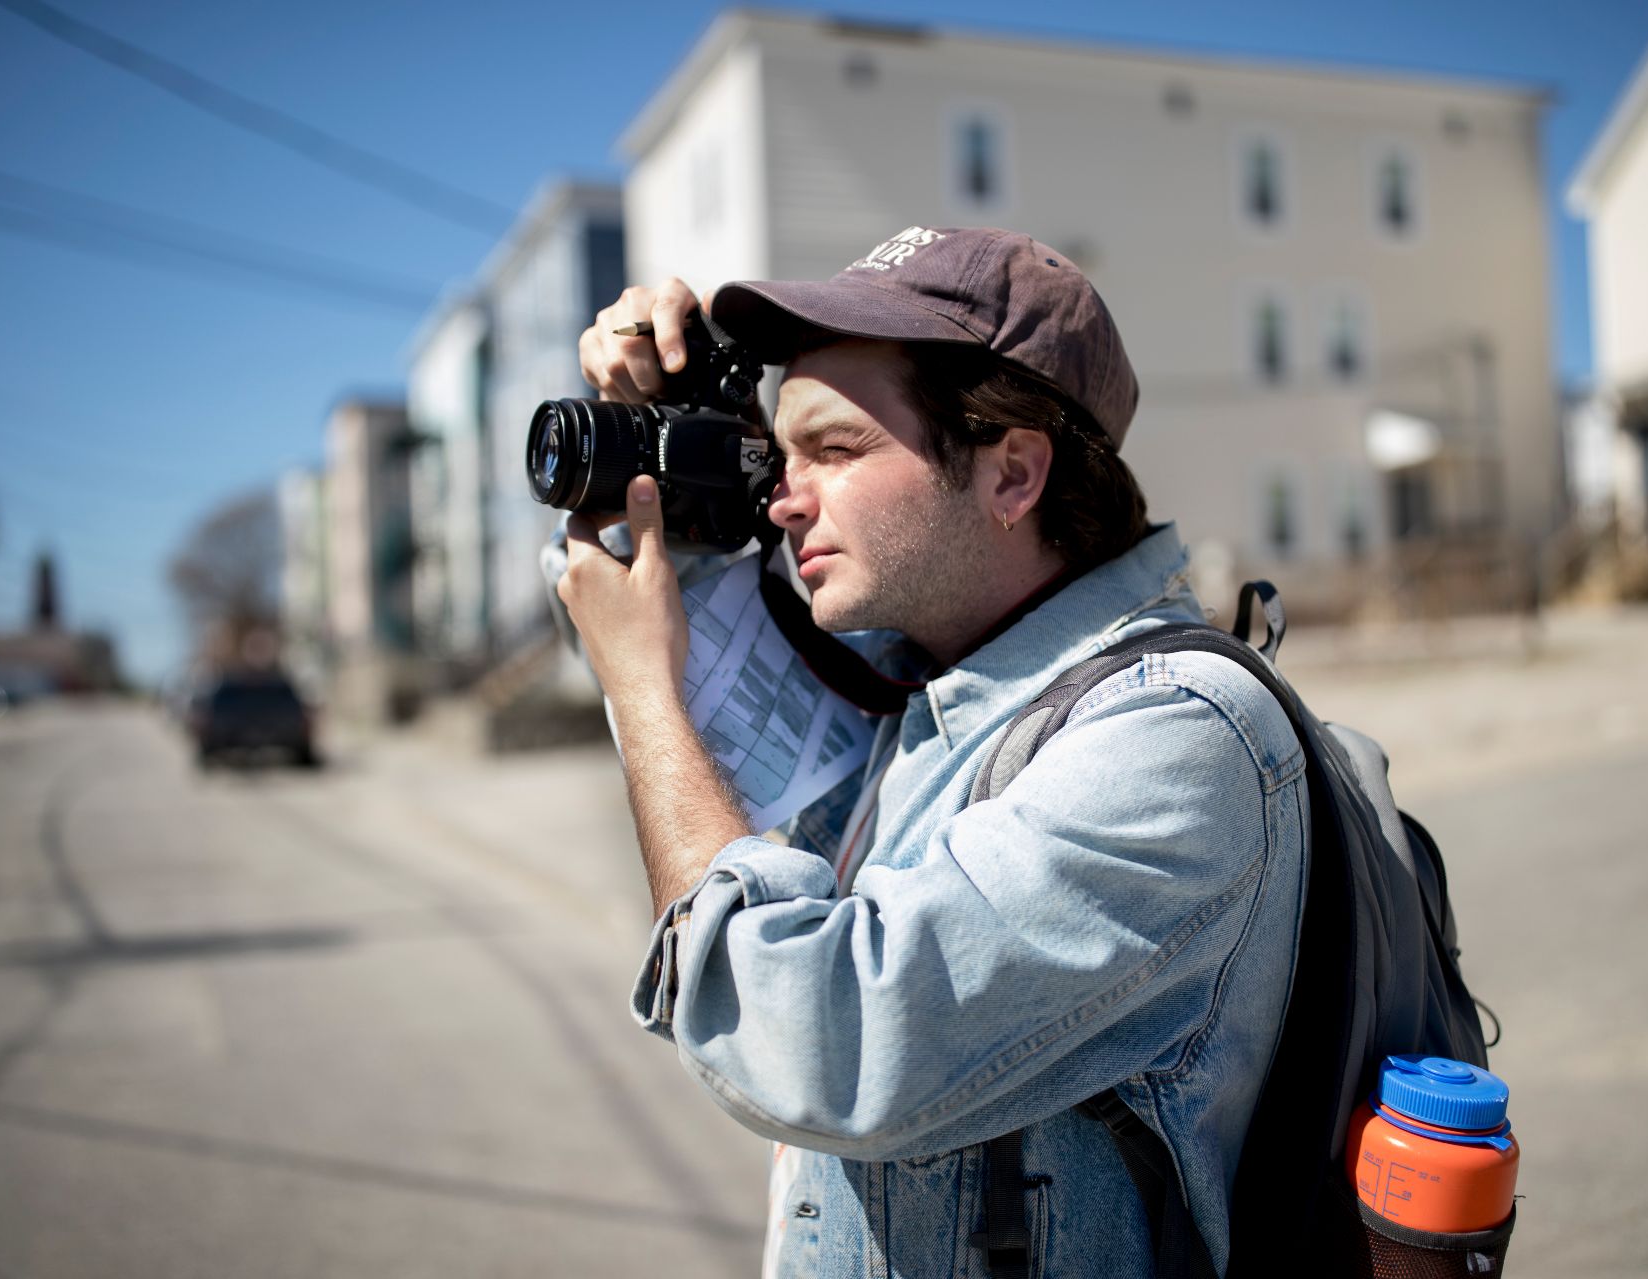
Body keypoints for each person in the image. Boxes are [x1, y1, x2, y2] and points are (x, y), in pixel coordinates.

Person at [555, 226, 1306, 1278]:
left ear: (1011, 474)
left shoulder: (1171, 740)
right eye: (781, 454)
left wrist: (640, 692)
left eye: (834, 450)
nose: (783, 495)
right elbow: (696, 679)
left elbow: (810, 1042)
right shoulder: (924, 692)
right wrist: (662, 438)